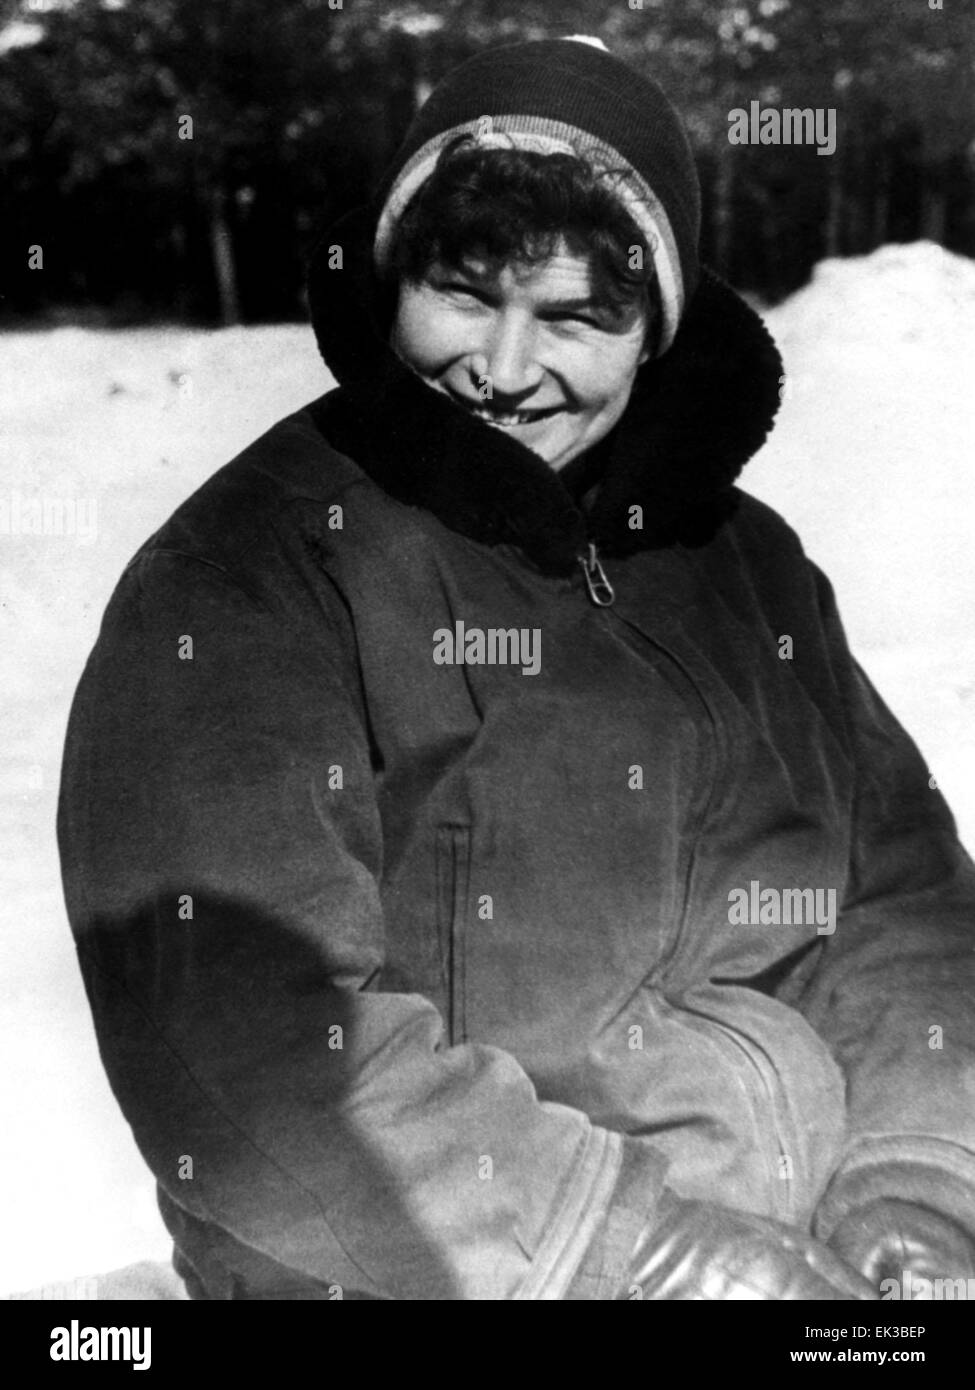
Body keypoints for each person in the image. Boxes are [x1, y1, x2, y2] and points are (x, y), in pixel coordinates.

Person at [57, 37, 975, 1301]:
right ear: (391, 284)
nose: (499, 367)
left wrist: (916, 1176)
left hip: (809, 1251)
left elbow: (899, 899)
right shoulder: (253, 573)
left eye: (574, 318)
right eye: (461, 293)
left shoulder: (741, 567)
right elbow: (240, 1029)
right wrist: (638, 1254)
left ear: (655, 332)